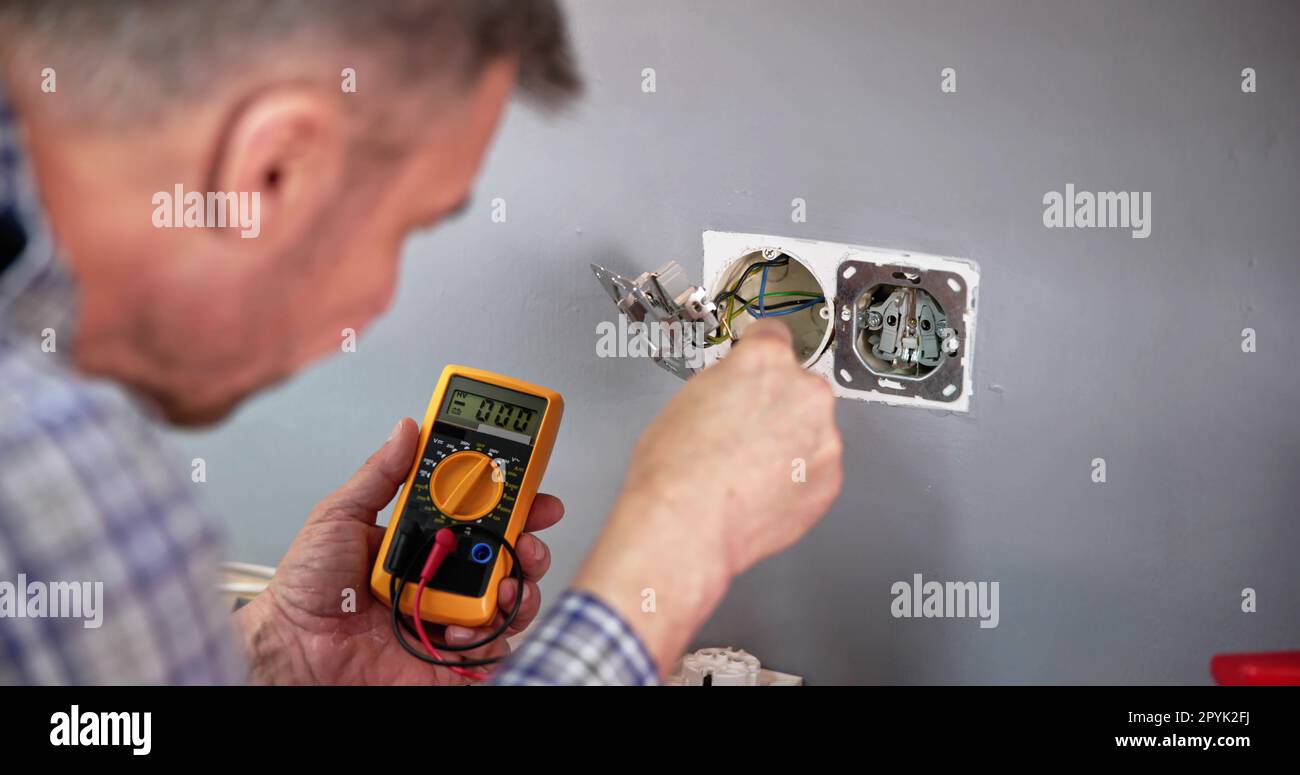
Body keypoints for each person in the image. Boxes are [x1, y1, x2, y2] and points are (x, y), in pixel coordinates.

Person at [0, 0, 842, 685]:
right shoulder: (55, 467)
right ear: (274, 170)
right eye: (408, 227)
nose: (379, 305)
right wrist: (678, 532)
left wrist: (283, 653)